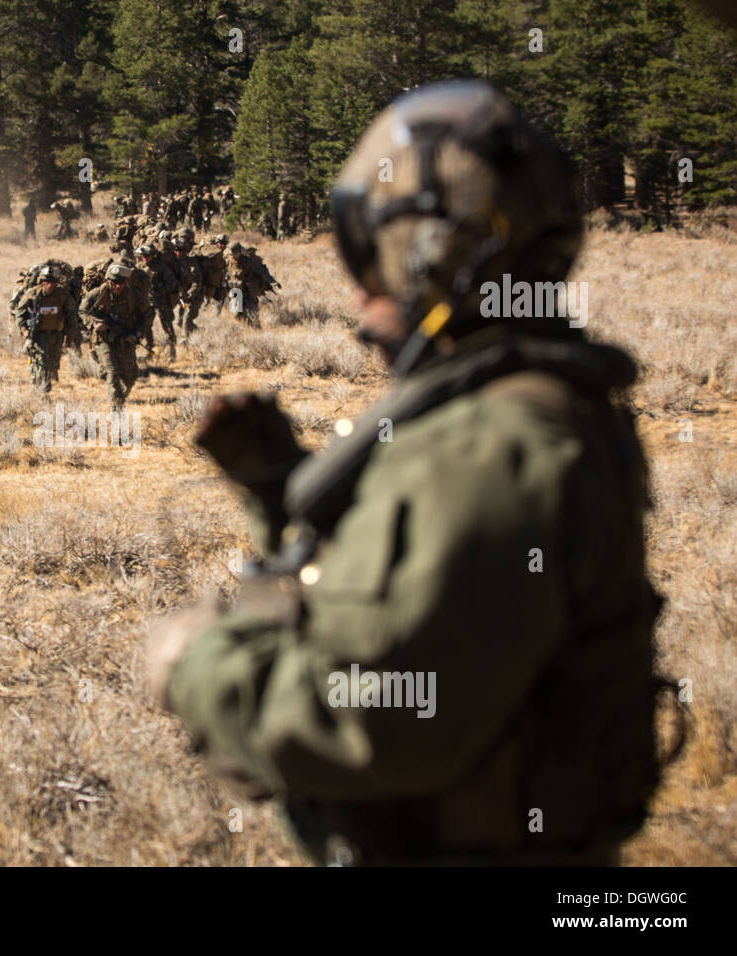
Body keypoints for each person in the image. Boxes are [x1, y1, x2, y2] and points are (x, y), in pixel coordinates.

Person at [147, 79, 664, 867]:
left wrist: (196, 665)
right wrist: (282, 494)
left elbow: (372, 719)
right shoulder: (539, 408)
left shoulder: (490, 446)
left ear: (428, 251)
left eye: (363, 245)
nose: (357, 284)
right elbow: (418, 603)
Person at [80, 263, 143, 410]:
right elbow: (82, 311)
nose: (117, 286)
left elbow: (146, 315)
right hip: (103, 339)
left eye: (120, 283)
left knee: (130, 375)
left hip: (125, 338)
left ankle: (120, 396)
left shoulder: (133, 296)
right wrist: (94, 324)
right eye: (114, 282)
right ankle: (116, 406)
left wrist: (138, 333)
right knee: (112, 372)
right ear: (108, 280)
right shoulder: (97, 294)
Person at [13, 265, 78, 393]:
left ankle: (41, 381)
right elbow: (20, 313)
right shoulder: (32, 294)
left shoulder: (62, 295)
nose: (50, 285)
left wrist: (70, 336)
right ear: (42, 283)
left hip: (56, 334)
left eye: (53, 283)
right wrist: (24, 330)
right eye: (47, 282)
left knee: (53, 363)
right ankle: (42, 390)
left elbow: (71, 315)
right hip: (39, 334)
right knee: (42, 362)